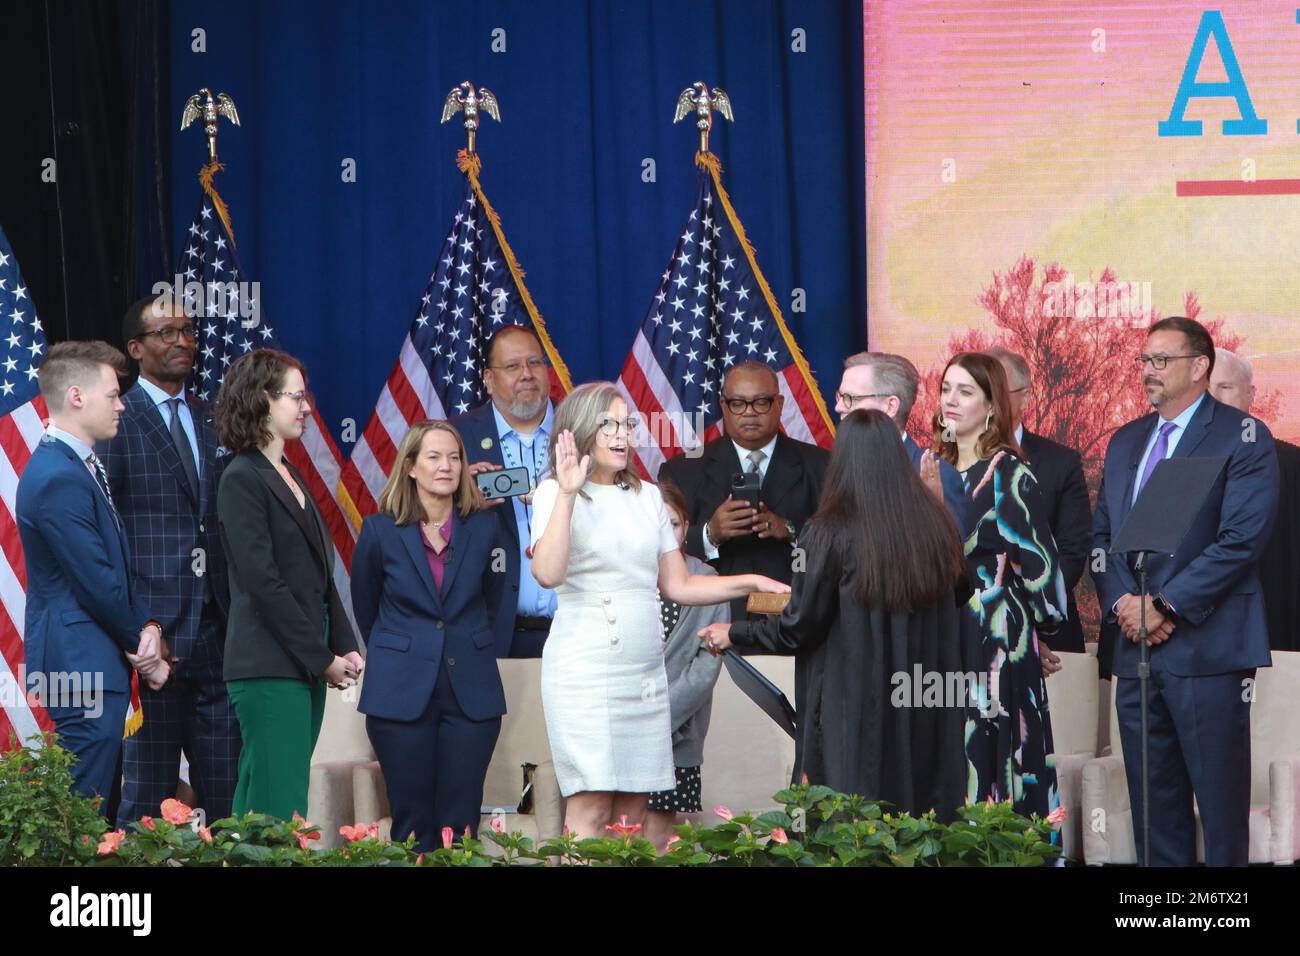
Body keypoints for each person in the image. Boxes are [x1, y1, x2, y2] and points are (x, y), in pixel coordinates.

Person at [528, 381, 788, 839]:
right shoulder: (553, 491)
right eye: (608, 423)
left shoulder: (648, 497)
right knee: (590, 807)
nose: (621, 433)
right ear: (582, 429)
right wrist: (568, 494)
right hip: (584, 672)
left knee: (630, 814)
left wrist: (749, 582)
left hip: (643, 675)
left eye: (626, 423)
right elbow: (548, 575)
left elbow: (679, 584)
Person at [699, 410, 968, 818]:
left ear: (841, 461)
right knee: (919, 826)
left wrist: (735, 633)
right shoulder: (936, 526)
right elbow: (961, 595)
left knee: (848, 831)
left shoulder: (824, 532)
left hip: (856, 714)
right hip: (925, 704)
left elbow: (798, 627)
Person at [1093, 319, 1277, 866]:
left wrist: (1165, 605)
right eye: (1144, 360)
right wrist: (1126, 605)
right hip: (1136, 651)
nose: (1149, 371)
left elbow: (1242, 539)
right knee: (1154, 808)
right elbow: (1103, 537)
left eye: (1161, 361)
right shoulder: (1126, 440)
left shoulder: (1241, 435)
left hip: (1208, 650)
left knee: (1220, 812)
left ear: (1200, 367)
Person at [101, 294, 238, 825]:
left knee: (227, 801)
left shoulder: (214, 418)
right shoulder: (117, 418)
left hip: (219, 633)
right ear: (135, 348)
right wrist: (136, 629)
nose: (181, 340)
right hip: (152, 640)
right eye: (165, 333)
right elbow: (108, 533)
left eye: (187, 329)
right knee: (147, 804)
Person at [17, 341, 167, 812]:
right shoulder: (58, 474)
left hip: (90, 663)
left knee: (94, 807)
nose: (121, 404)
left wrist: (148, 626)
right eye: (112, 394)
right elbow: (95, 579)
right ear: (77, 396)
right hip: (80, 665)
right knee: (83, 810)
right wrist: (144, 644)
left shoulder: (76, 465)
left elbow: (109, 571)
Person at [215, 349, 363, 821]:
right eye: (296, 397)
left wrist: (344, 642)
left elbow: (319, 574)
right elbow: (263, 585)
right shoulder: (241, 477)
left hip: (299, 661)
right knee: (279, 808)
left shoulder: (290, 472)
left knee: (268, 802)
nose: (306, 408)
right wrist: (322, 660)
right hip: (269, 664)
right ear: (263, 399)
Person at [351, 421, 508, 850]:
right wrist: (406, 648)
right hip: (400, 692)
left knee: (461, 826)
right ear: (411, 467)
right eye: (434, 457)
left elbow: (493, 601)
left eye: (455, 457)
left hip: (470, 693)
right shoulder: (380, 531)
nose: (447, 467)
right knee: (412, 824)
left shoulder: (485, 528)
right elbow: (367, 607)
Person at [933, 351, 1067, 818]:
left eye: (965, 391)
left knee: (992, 750)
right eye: (946, 388)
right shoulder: (930, 468)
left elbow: (1040, 563)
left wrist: (1038, 629)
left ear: (992, 406)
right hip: (935, 631)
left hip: (994, 634)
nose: (950, 400)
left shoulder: (1009, 472)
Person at [658, 361, 829, 627]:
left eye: (761, 402)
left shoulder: (822, 466)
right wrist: (709, 534)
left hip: (796, 624)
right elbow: (660, 552)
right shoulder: (682, 471)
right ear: (723, 406)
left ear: (780, 404)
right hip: (713, 626)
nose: (749, 413)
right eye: (738, 403)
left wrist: (793, 531)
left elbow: (846, 548)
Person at [452, 325, 557, 659]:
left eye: (535, 363)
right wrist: (459, 502)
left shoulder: (581, 432)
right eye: (512, 367)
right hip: (488, 636)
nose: (526, 374)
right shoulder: (455, 439)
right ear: (487, 378)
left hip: (578, 634)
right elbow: (415, 529)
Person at [986, 347, 1093, 655]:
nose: (987, 402)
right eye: (978, 390)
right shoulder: (948, 465)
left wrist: (1028, 618)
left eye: (996, 391)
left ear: (1025, 396)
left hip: (1046, 633)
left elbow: (1072, 552)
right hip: (970, 634)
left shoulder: (1061, 463)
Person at [643, 480, 727, 851]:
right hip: (623, 727)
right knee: (620, 832)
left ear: (687, 527)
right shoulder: (626, 578)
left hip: (678, 734)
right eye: (655, 522)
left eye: (673, 523)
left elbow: (705, 669)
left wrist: (659, 717)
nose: (666, 532)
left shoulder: (706, 579)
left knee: (663, 841)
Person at [1211, 347, 1298, 652]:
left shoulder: (1291, 464)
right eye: (1205, 389)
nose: (1214, 398)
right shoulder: (1169, 460)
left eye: (1225, 386)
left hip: (1277, 627)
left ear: (1251, 394)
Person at [833, 351, 967, 533]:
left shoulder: (938, 476)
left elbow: (949, 555)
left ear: (890, 406)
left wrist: (929, 512)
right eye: (839, 397)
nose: (838, 407)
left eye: (850, 398)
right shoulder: (836, 468)